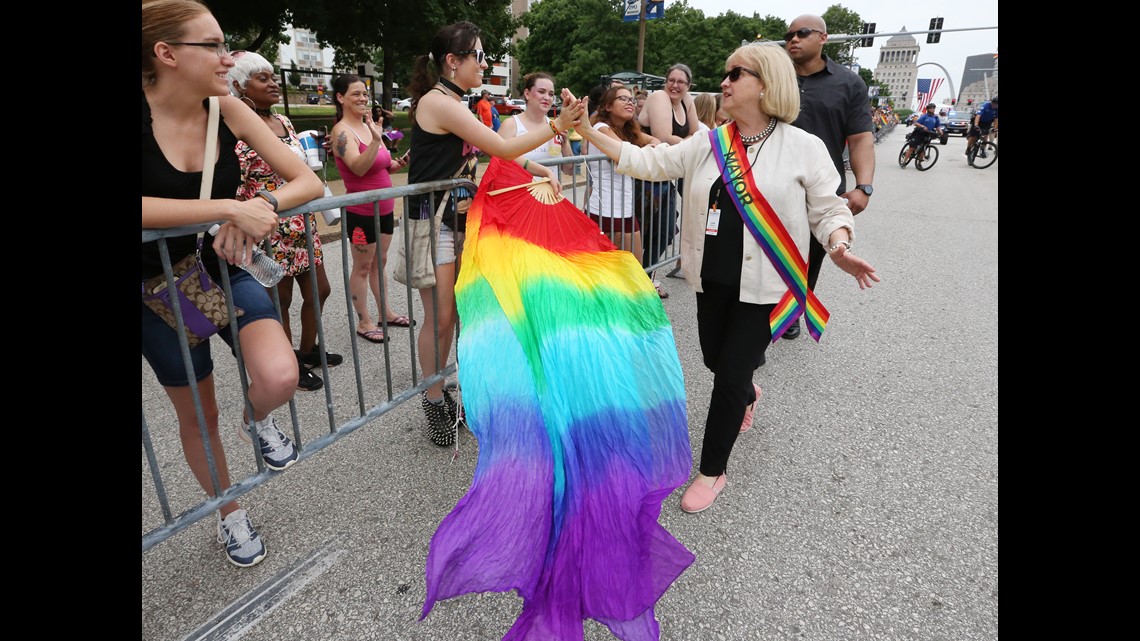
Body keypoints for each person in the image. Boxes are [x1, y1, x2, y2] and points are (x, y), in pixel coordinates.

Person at [575, 42, 880, 514]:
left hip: (766, 288)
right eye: (726, 73)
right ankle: (747, 391)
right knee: (717, 362)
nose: (724, 82)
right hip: (710, 279)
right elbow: (648, 163)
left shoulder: (805, 148)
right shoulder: (711, 142)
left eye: (735, 74)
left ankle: (712, 472)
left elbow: (829, 207)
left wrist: (839, 244)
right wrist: (587, 132)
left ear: (766, 84)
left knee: (728, 375)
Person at [142, 0, 322, 567]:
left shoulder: (227, 107)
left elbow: (308, 182)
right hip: (150, 288)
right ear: (166, 54)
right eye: (215, 46)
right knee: (198, 416)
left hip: (217, 264)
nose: (230, 58)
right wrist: (228, 206)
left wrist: (260, 205)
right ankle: (230, 513)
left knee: (280, 373)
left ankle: (258, 419)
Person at [405, 21, 583, 447]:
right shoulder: (439, 102)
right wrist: (558, 126)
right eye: (479, 56)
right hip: (432, 221)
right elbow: (501, 147)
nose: (486, 64)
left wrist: (538, 167)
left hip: (458, 218)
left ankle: (451, 390)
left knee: (462, 312)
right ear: (453, 61)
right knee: (442, 316)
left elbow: (492, 154)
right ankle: (433, 400)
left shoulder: (457, 101)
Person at [227, 50, 342, 392]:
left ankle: (307, 350)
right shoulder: (234, 128)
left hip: (300, 223)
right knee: (281, 301)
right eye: (262, 78)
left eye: (273, 76)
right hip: (269, 229)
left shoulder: (283, 121)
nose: (273, 83)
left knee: (321, 290)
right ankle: (288, 363)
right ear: (238, 85)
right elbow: (235, 185)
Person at [784, 14, 876, 340]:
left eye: (802, 33)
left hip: (820, 191)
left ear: (823, 38)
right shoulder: (772, 75)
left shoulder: (849, 83)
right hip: (769, 184)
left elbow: (861, 138)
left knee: (809, 256)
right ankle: (758, 308)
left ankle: (794, 309)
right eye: (789, 34)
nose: (793, 39)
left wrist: (863, 186)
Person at [331, 74, 412, 346]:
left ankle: (385, 313)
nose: (363, 98)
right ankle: (364, 321)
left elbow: (381, 166)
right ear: (340, 97)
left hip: (385, 208)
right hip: (361, 212)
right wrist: (377, 141)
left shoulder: (368, 126)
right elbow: (358, 167)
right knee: (363, 267)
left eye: (364, 94)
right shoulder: (342, 131)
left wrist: (398, 163)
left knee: (381, 263)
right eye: (355, 94)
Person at [637, 64, 697, 296]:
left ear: (688, 85)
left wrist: (686, 143)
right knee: (645, 228)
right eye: (671, 80)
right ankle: (638, 280)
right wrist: (692, 145)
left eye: (681, 82)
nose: (675, 85)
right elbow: (663, 136)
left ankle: (645, 276)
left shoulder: (686, 100)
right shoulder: (659, 97)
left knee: (666, 228)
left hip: (666, 172)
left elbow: (694, 130)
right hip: (645, 173)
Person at [584, 85, 661, 266]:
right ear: (608, 106)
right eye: (623, 99)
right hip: (602, 210)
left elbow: (655, 141)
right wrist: (645, 151)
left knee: (634, 269)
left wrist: (645, 149)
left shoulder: (629, 132)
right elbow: (625, 153)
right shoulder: (601, 127)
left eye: (631, 99)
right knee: (604, 272)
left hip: (625, 209)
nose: (630, 103)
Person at [497, 71, 574, 182]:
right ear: (527, 94)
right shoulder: (511, 125)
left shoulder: (556, 127)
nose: (547, 97)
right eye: (541, 92)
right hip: (519, 196)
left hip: (550, 197)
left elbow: (569, 171)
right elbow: (498, 164)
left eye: (551, 94)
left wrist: (565, 144)